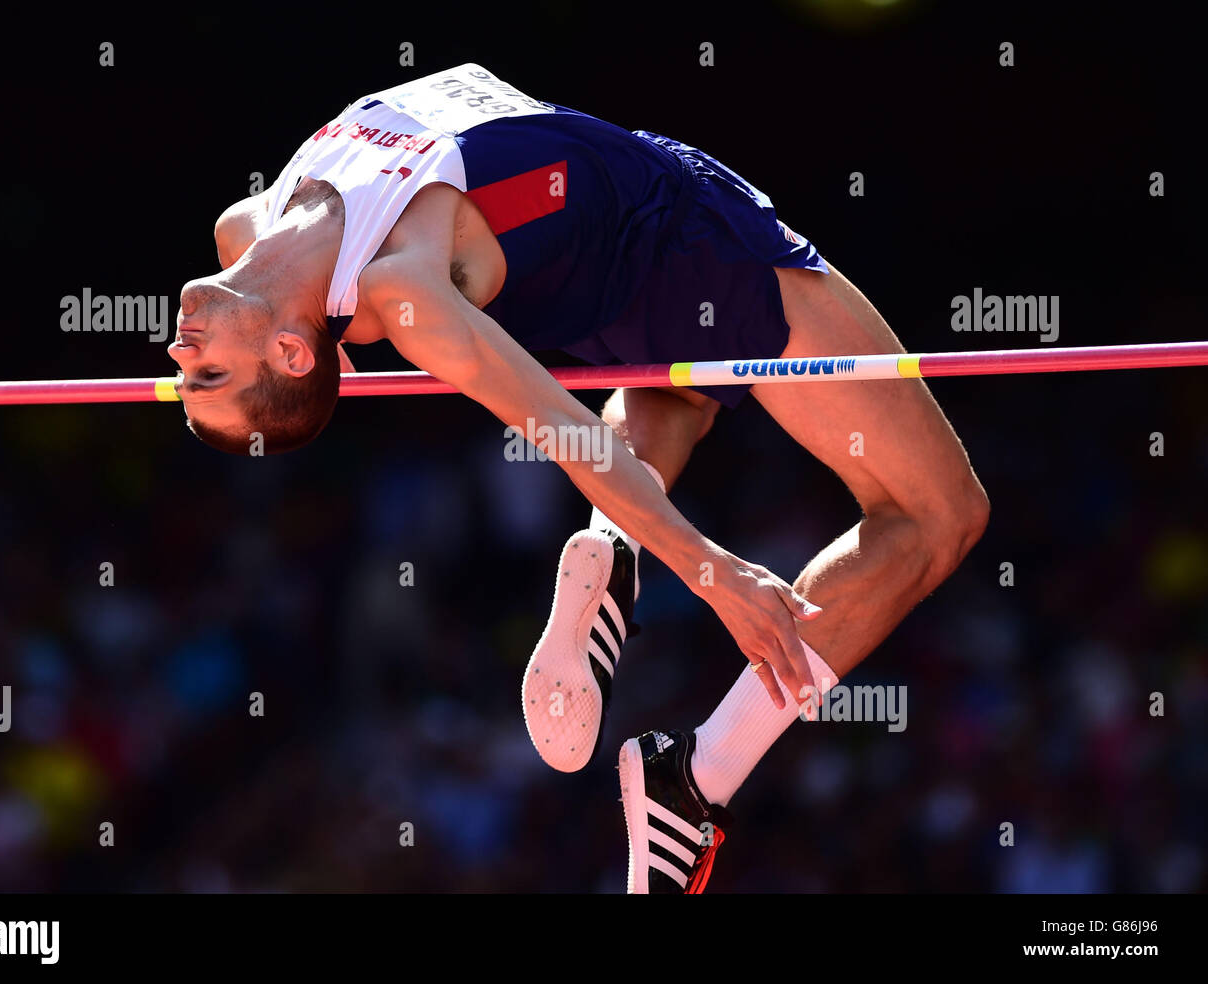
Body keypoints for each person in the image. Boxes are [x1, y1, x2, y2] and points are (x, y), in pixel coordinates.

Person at [170, 63, 989, 893]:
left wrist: (309, 350)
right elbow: (569, 436)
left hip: (605, 274)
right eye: (208, 378)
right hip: (676, 237)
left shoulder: (248, 229)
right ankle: (698, 778)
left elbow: (315, 344)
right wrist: (714, 571)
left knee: (680, 394)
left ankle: (612, 549)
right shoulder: (403, 289)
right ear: (285, 352)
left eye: (189, 378)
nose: (178, 355)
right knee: (938, 516)